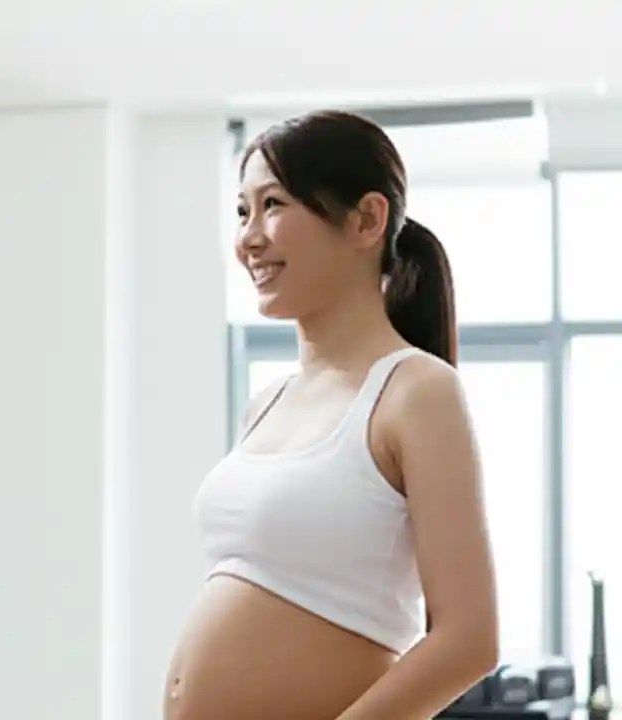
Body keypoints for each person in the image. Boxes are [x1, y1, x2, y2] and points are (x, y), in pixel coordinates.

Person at [165, 110, 499, 719]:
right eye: (241, 211)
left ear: (367, 219)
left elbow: (469, 639)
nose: (248, 237)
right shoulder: (266, 404)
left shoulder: (415, 391)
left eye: (274, 204)